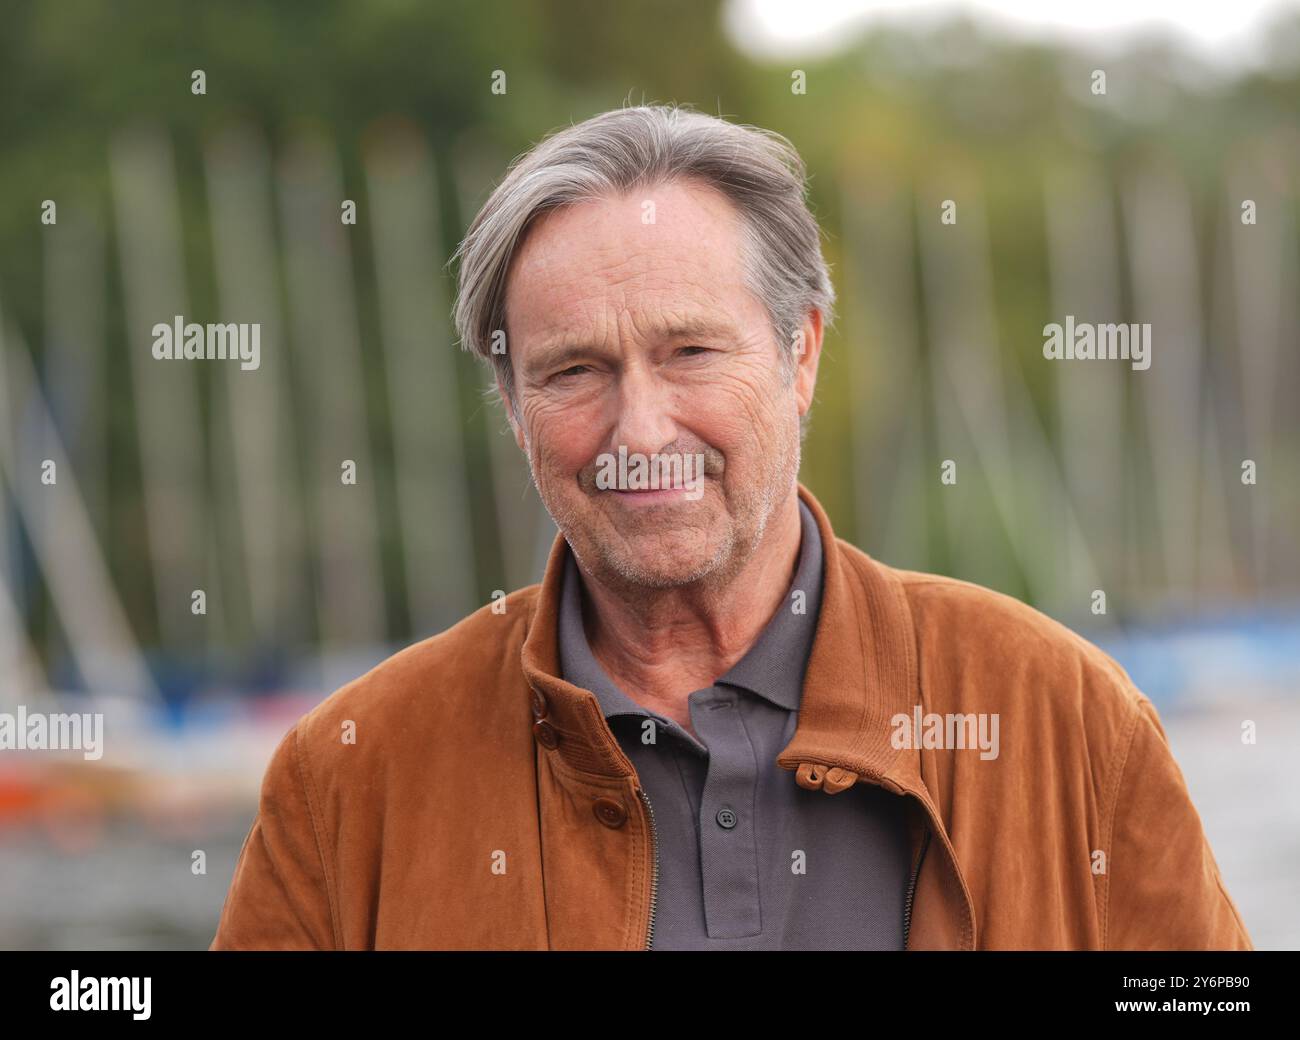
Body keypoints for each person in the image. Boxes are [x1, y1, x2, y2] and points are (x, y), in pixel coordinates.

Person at [210, 103, 1251, 950]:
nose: (640, 427)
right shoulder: (348, 776)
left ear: (799, 354)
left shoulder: (1062, 718)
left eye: (690, 352)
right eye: (573, 369)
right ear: (511, 401)